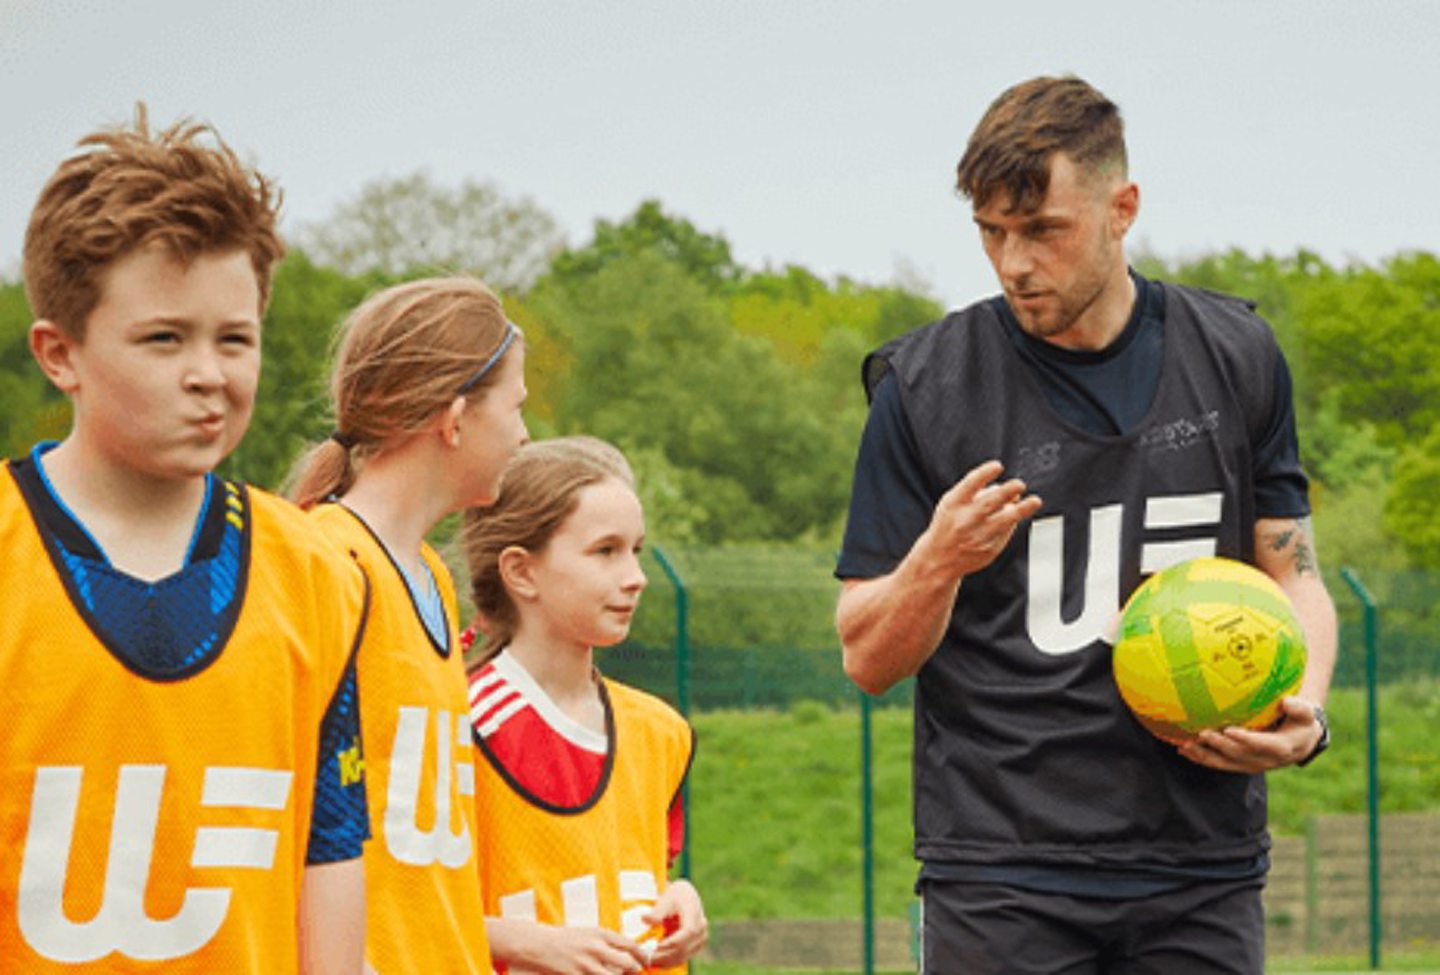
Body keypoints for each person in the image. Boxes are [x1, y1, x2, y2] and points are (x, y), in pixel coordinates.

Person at [834, 75, 1339, 974]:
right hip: (1003, 870)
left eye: (1042, 230)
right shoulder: (926, 388)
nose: (1013, 264)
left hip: (1202, 864)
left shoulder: (1238, 356)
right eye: (991, 232)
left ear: (1122, 209)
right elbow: (866, 658)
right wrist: (938, 561)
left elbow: (1293, 573)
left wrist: (1309, 714)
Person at [1, 107, 368, 973]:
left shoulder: (316, 573)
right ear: (59, 353)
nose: (209, 374)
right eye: (164, 338)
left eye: (234, 338)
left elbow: (329, 861)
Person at [288, 276, 529, 974]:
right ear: (454, 418)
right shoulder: (328, 561)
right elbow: (293, 822)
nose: (524, 433)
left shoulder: (430, 575)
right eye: (515, 406)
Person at [462, 436, 708, 974]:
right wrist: (522, 942)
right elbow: (404, 911)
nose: (636, 577)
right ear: (521, 571)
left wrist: (680, 896)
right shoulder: (461, 725)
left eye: (636, 550)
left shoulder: (660, 731)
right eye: (605, 551)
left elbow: (636, 874)